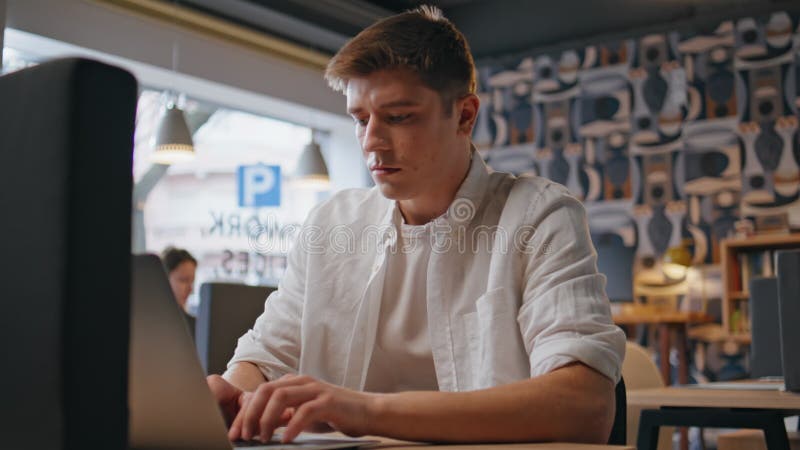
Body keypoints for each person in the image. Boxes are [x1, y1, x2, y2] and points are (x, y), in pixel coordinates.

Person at [207, 5, 625, 445]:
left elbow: (586, 406)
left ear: (464, 115)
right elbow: (267, 356)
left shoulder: (539, 216)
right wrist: (233, 394)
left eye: (399, 117)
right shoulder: (332, 223)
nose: (372, 142)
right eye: (360, 119)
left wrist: (363, 410)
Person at [161, 246, 197, 338]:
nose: (190, 289)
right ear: (163, 278)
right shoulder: (146, 321)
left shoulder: (195, 327)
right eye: (184, 280)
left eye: (192, 281)